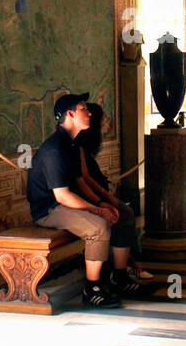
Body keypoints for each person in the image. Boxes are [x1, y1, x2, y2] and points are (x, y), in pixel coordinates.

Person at [26, 93, 150, 307]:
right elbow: (62, 195)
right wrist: (97, 211)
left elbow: (81, 182)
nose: (90, 112)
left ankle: (119, 277)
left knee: (123, 215)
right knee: (98, 227)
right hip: (49, 210)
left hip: (66, 202)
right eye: (84, 109)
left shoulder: (71, 144)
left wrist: (104, 204)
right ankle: (92, 289)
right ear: (70, 114)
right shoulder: (55, 149)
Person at [75, 102, 153, 282]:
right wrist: (106, 199)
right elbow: (84, 179)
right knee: (122, 214)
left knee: (124, 212)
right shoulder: (76, 146)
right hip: (85, 199)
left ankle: (125, 264)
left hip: (93, 196)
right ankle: (124, 266)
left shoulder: (84, 147)